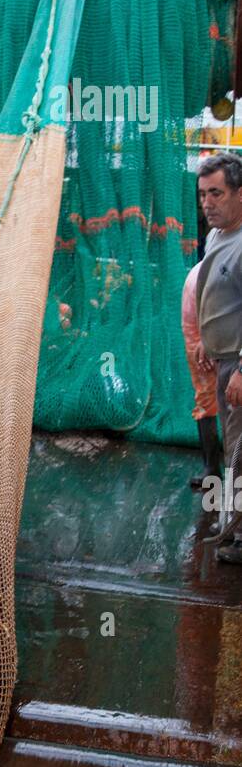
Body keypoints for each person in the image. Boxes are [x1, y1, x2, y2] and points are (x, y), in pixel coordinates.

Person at [195, 152, 242, 564]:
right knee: (234, 449)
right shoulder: (216, 236)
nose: (208, 203)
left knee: (241, 452)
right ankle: (233, 525)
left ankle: (239, 535)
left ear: (240, 194)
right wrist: (207, 342)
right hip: (222, 360)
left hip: (239, 367)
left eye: (217, 193)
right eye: (203, 194)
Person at [180, 259, 220, 491]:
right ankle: (211, 468)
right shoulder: (218, 246)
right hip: (197, 336)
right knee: (205, 400)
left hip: (218, 340)